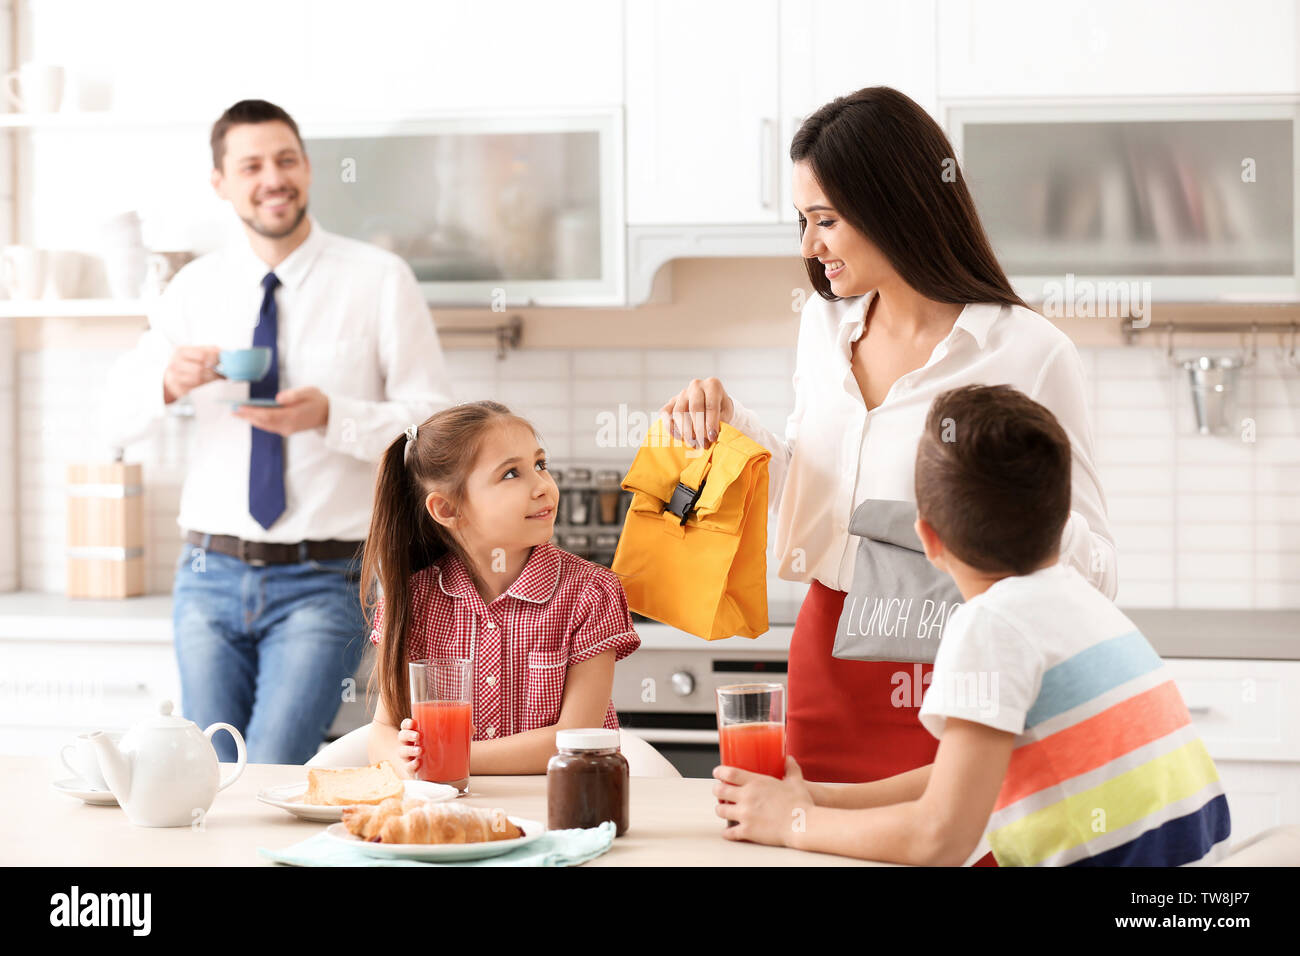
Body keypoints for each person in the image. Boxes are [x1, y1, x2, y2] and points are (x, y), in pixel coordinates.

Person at [660, 88, 1116, 864]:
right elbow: (818, 483)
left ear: (895, 203)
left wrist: (956, 524)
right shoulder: (824, 325)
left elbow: (1096, 564)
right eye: (802, 221)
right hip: (828, 660)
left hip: (961, 667)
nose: (810, 246)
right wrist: (731, 426)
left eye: (826, 219)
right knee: (806, 847)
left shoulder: (1029, 352)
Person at [712, 384, 1230, 867]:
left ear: (927, 540)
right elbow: (967, 776)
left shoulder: (989, 625)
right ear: (1062, 520)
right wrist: (820, 799)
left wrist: (790, 825)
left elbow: (939, 839)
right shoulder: (1077, 602)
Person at [100, 99, 453, 764]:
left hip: (326, 576)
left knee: (268, 776)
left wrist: (332, 416)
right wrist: (167, 383)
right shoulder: (192, 288)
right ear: (222, 183)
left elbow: (434, 427)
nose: (273, 178)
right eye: (252, 164)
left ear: (308, 169)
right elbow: (113, 422)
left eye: (286, 160)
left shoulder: (378, 280)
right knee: (202, 778)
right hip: (207, 575)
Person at [363, 401, 641, 775]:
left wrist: (450, 754)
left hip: (562, 815)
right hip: (455, 814)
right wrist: (402, 756)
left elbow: (577, 736)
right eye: (512, 474)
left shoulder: (589, 592)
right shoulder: (416, 600)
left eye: (540, 465)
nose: (543, 486)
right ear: (447, 509)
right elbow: (383, 731)